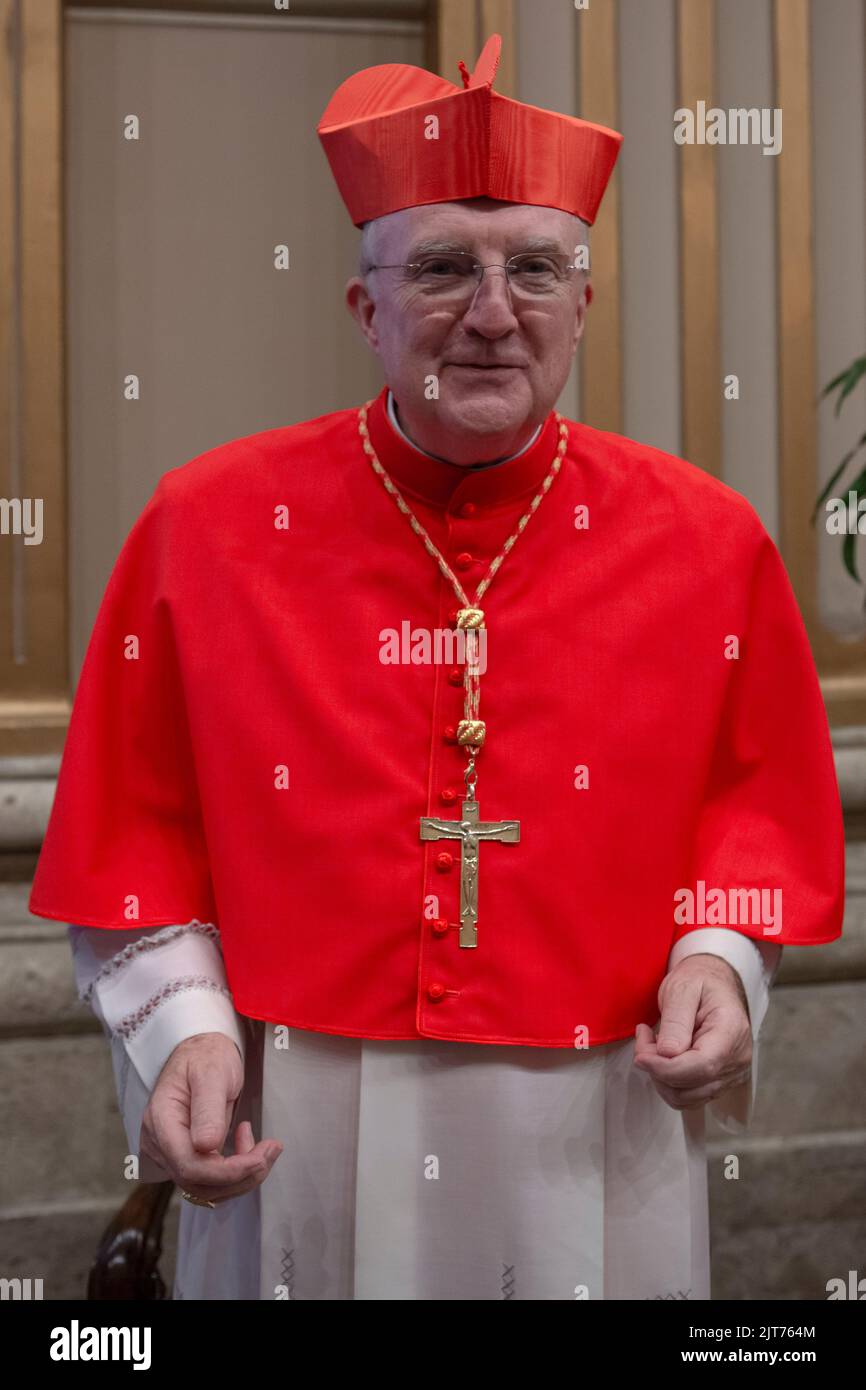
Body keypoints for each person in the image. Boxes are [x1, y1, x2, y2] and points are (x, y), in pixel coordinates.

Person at [30, 34, 843, 1300]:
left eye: (533, 268)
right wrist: (186, 1031)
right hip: (297, 1107)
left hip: (598, 1118)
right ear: (365, 308)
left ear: (581, 301)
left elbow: (752, 823)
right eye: (444, 269)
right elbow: (134, 834)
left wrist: (716, 963)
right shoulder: (208, 526)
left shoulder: (705, 542)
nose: (490, 311)